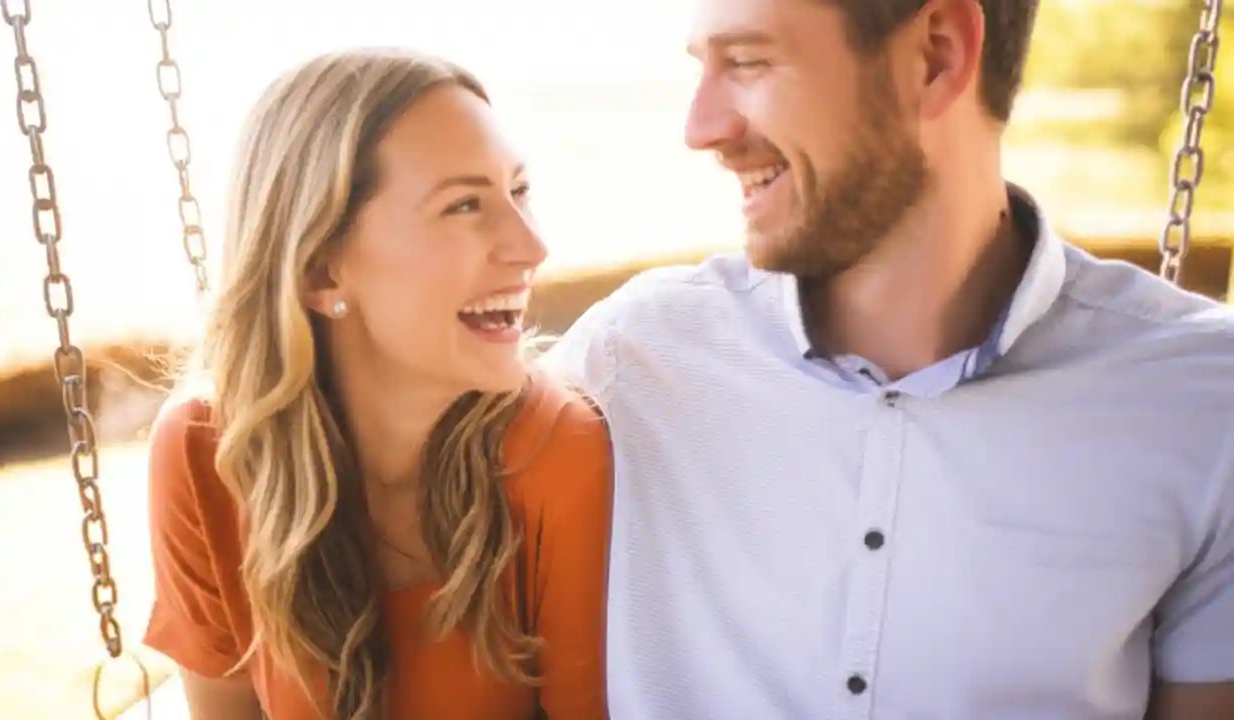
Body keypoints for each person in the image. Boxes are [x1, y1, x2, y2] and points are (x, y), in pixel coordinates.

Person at [542, 0, 1234, 717]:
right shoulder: (626, 366)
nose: (702, 128)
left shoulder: (1206, 402)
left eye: (748, 62)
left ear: (934, 54)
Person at [142, 49, 612, 720]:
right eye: (464, 205)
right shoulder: (205, 450)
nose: (532, 246)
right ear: (321, 272)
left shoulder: (554, 449)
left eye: (519, 191)